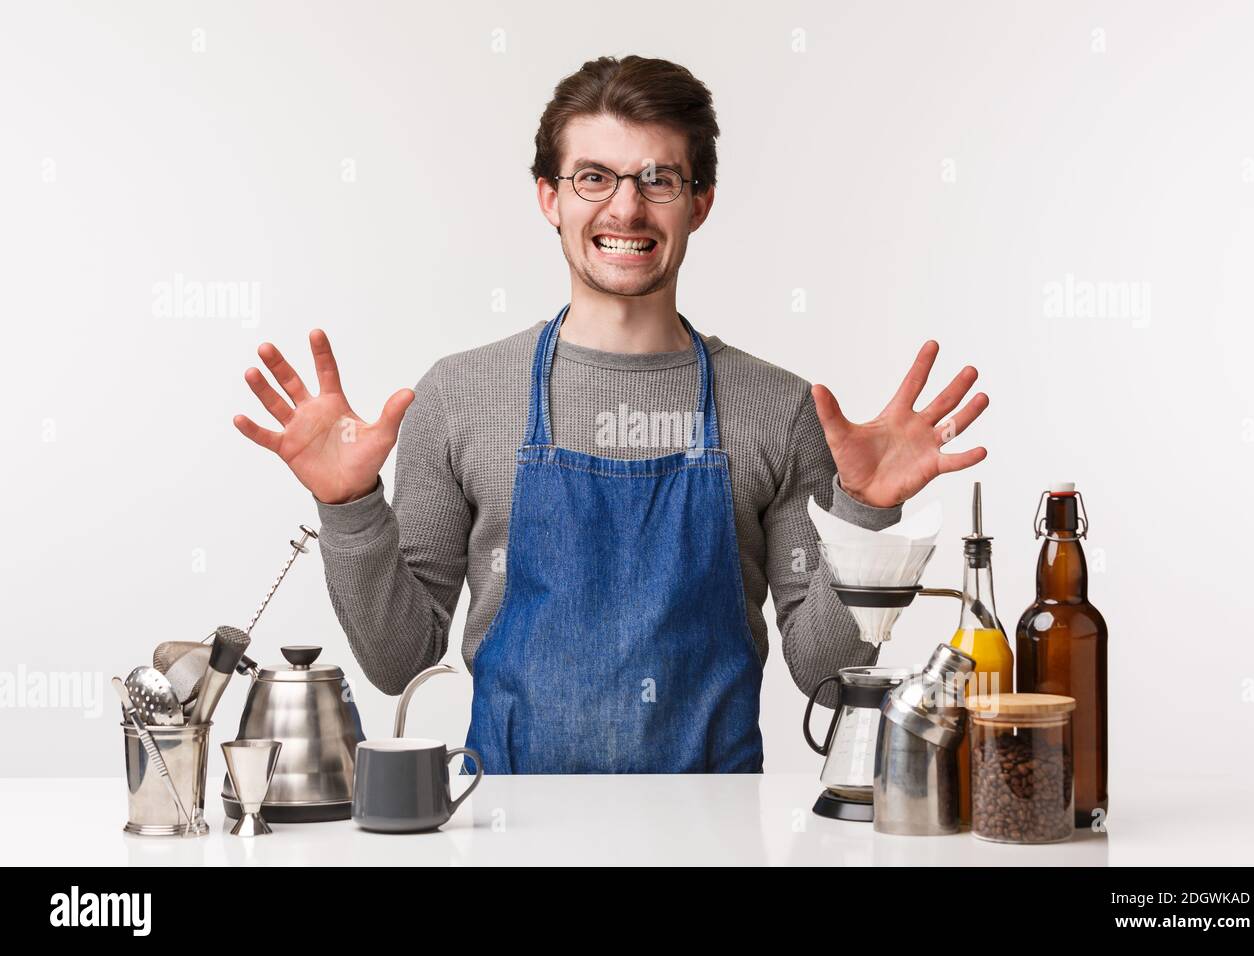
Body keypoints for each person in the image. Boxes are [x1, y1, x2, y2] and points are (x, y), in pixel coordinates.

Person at [232, 55, 988, 775]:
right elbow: (399, 660)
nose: (625, 206)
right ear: (548, 197)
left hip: (716, 836)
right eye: (594, 177)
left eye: (658, 180)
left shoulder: (776, 408)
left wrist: (867, 512)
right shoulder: (460, 396)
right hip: (512, 829)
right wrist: (348, 506)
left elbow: (822, 672)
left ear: (700, 202)